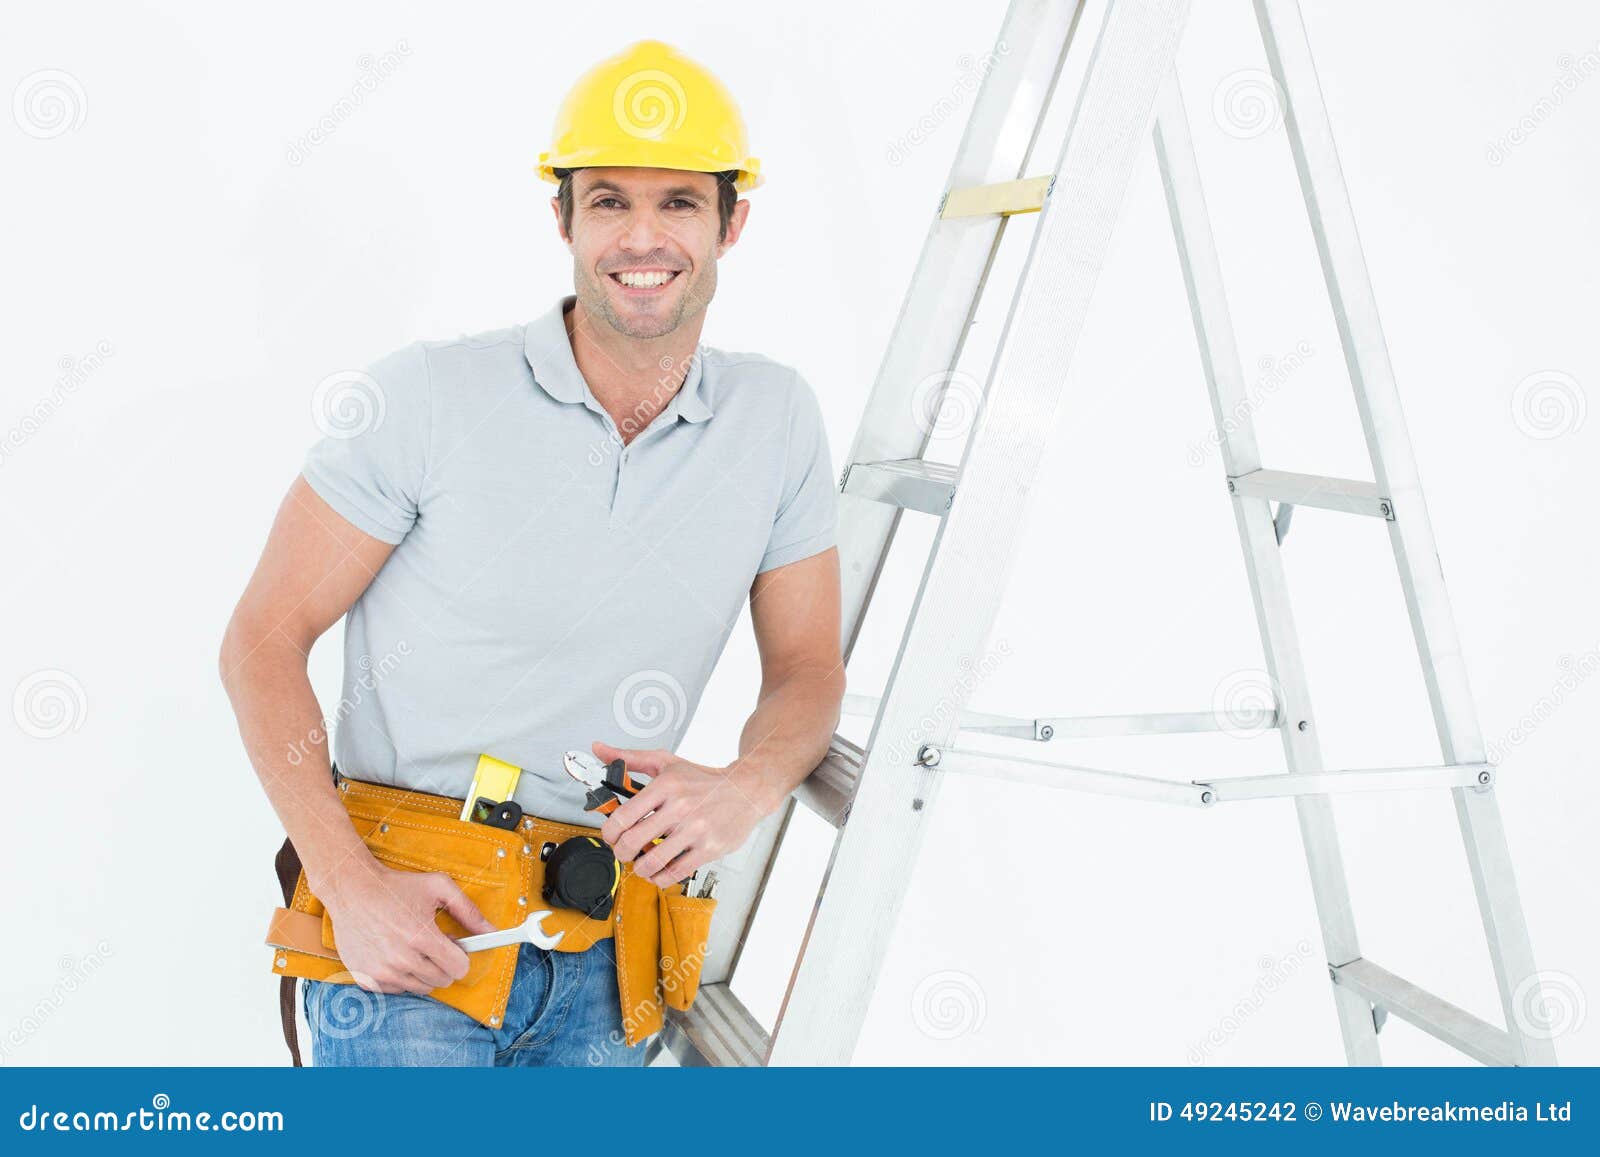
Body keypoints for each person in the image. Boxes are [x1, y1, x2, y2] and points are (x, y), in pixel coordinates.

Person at [220, 39, 844, 1067]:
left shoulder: (775, 417)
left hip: (611, 954)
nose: (641, 237)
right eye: (607, 202)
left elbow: (809, 669)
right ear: (562, 218)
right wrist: (344, 883)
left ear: (732, 222)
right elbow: (260, 640)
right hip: (415, 933)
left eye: (679, 203)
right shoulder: (426, 397)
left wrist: (748, 783)